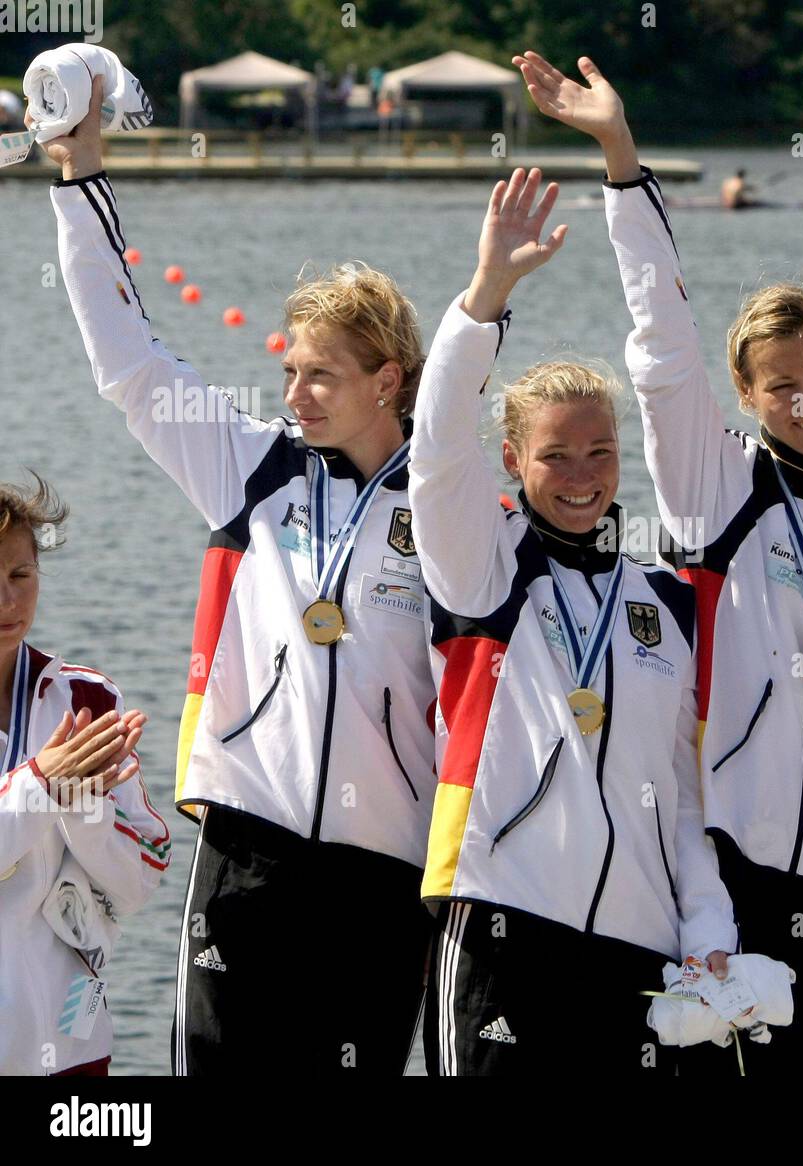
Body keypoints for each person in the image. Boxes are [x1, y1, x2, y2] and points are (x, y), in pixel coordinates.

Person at [513, 51, 803, 1075]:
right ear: (745, 391)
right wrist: (621, 159)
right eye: (779, 386)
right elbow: (660, 343)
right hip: (731, 881)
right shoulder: (713, 491)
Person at [37, 74, 438, 1075]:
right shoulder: (250, 464)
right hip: (246, 853)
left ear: (387, 379)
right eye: (290, 368)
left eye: (320, 375)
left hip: (383, 869)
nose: (293, 392)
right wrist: (80, 175)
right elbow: (127, 360)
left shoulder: (452, 507)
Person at [409, 166, 741, 1075]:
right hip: (502, 922)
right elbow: (436, 449)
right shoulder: (483, 565)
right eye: (557, 454)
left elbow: (677, 796)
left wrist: (707, 927)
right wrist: (486, 297)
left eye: (601, 450)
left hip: (637, 951)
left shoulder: (664, 601)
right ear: (515, 458)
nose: (584, 472)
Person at [0, 474, 168, 1075]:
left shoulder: (86, 701)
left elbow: (140, 881)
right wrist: (42, 784)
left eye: (21, 576)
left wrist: (84, 808)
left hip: (70, 1048)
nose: (8, 602)